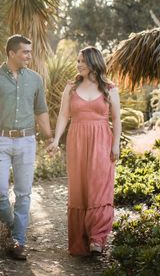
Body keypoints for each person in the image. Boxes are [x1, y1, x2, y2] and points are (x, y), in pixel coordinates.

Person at [0, 35, 52, 261]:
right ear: (11, 53)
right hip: (0, 140)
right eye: (25, 52)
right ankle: (12, 224)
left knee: (23, 193)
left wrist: (49, 137)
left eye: (30, 52)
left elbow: (41, 111)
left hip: (27, 141)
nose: (30, 56)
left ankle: (18, 240)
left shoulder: (35, 80)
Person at [45, 46, 121, 257]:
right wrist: (57, 140)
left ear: (93, 62)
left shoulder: (109, 88)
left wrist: (116, 144)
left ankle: (97, 238)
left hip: (101, 141)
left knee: (98, 185)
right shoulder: (71, 87)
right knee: (79, 188)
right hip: (76, 140)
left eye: (82, 61)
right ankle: (80, 240)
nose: (78, 64)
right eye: (77, 61)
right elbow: (63, 116)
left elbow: (116, 119)